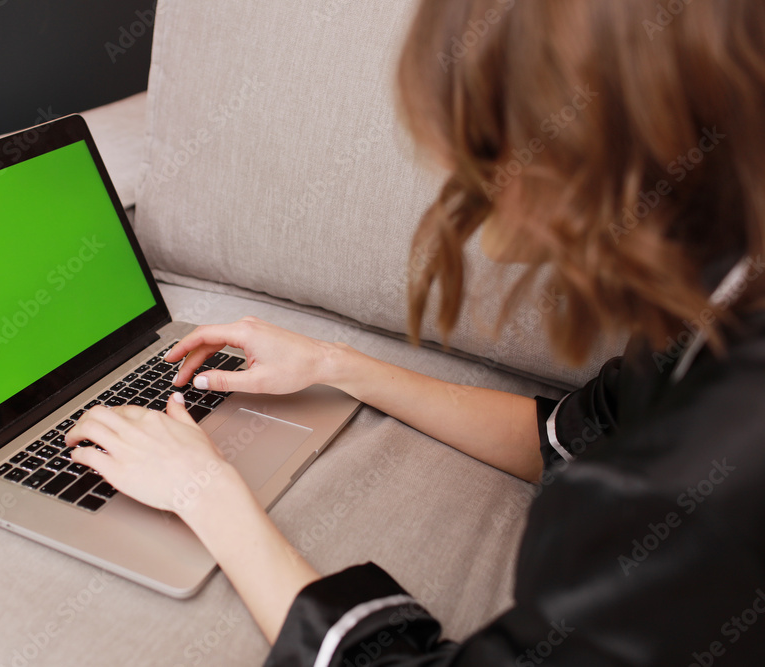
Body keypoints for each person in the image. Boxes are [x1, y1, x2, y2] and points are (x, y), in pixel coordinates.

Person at [66, 0, 765, 663]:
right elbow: (573, 436)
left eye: (475, 145)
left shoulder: (694, 487)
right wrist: (334, 364)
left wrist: (206, 495)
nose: (451, 174)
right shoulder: (716, 296)